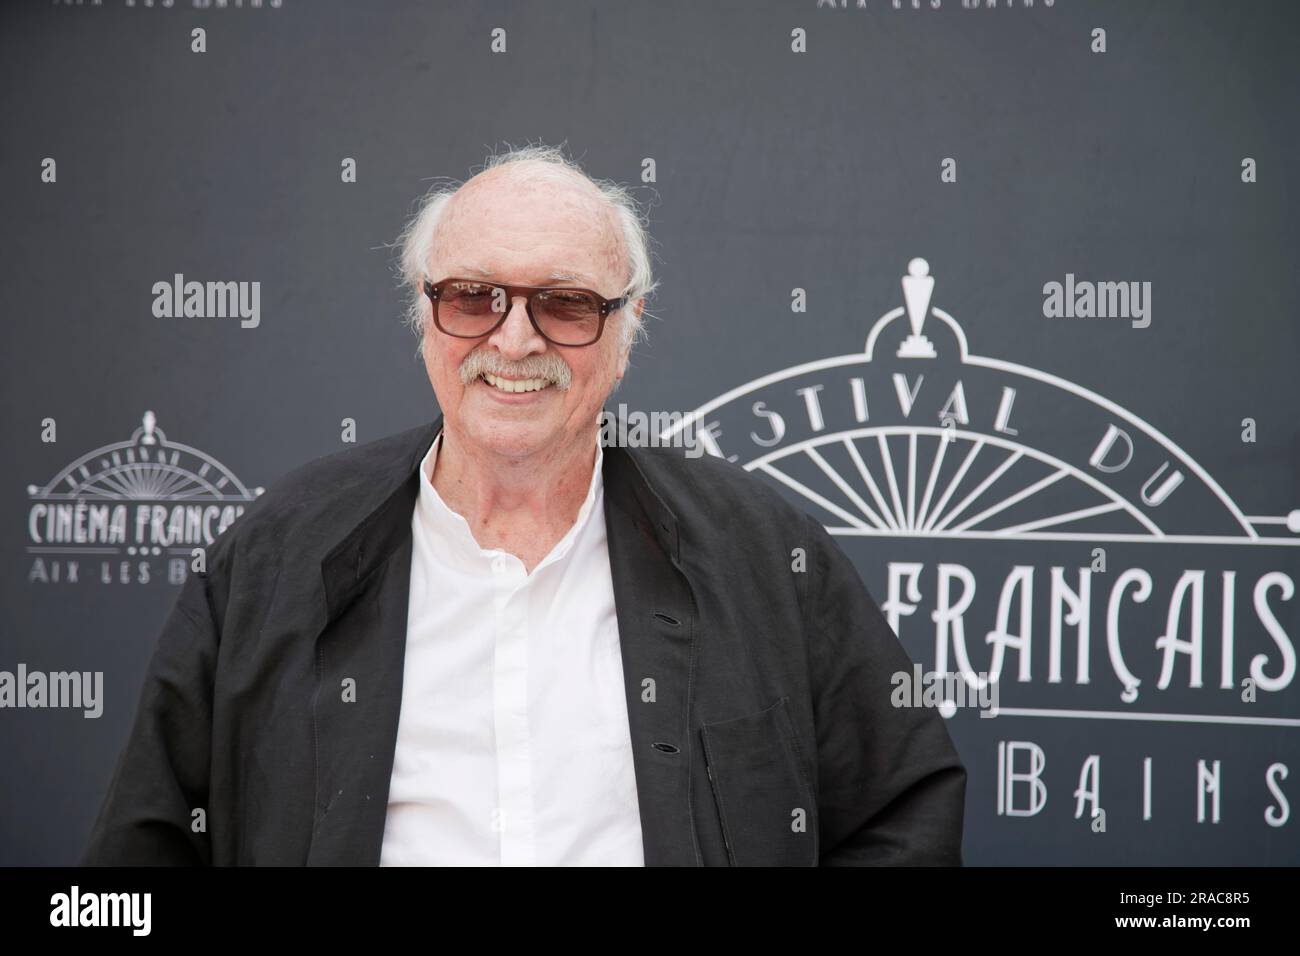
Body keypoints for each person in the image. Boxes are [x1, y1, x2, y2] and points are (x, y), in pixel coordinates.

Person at [83, 144, 966, 866]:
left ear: (626, 331)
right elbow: (143, 853)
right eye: (474, 296)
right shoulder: (277, 554)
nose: (513, 338)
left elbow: (905, 810)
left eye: (566, 304)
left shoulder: (761, 554)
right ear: (423, 316)